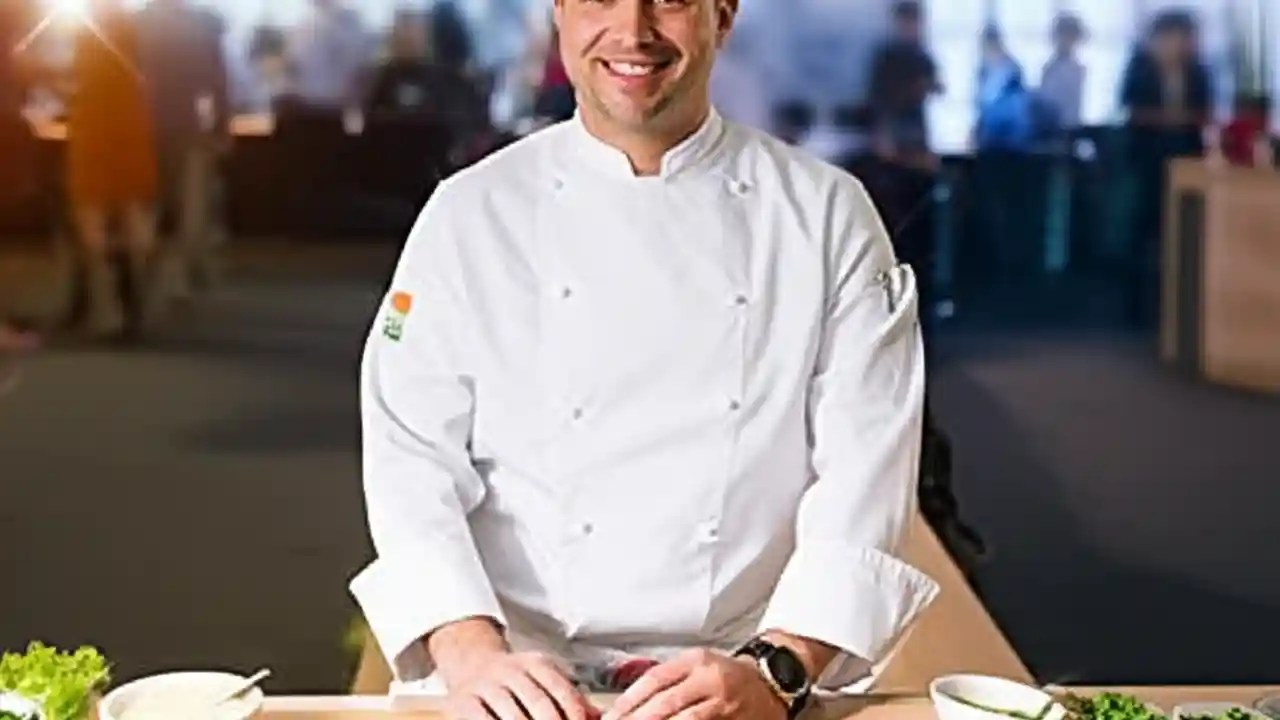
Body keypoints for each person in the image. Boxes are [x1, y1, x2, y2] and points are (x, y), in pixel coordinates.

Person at [351, 0, 939, 717]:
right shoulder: (468, 215)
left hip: (735, 677)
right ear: (559, 14)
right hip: (513, 676)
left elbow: (866, 475)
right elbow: (409, 458)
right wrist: (471, 653)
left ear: (724, 16)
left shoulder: (825, 216)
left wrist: (780, 667)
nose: (633, 31)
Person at [67, 0, 160, 338]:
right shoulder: (135, 34)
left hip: (92, 131)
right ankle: (133, 306)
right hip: (130, 129)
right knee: (132, 214)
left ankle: (106, 310)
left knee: (92, 220)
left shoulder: (84, 37)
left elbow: (77, 82)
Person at [1120, 10, 1213, 328]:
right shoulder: (1140, 68)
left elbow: (1204, 113)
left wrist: (1184, 121)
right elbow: (1131, 111)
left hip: (1188, 161)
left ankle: (1180, 305)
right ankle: (1135, 307)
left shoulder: (1199, 71)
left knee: (1185, 233)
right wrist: (1169, 119)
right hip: (1148, 163)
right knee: (1145, 231)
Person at [135, 0, 231, 303]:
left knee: (148, 204)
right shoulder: (201, 25)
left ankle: (147, 278)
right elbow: (217, 81)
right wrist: (221, 127)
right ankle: (185, 275)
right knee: (190, 206)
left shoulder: (137, 24)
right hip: (187, 124)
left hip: (143, 125)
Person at [866, 1, 939, 168]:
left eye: (914, 23)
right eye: (907, 23)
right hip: (894, 127)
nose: (911, 28)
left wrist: (928, 87)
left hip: (917, 129)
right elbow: (878, 98)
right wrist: (882, 134)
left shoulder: (922, 56)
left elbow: (936, 86)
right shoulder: (886, 57)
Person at [288, 0, 370, 110]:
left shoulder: (351, 21)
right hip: (306, 106)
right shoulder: (302, 25)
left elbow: (361, 68)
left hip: (340, 107)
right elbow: (294, 67)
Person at [1039, 13, 1086, 134]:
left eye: (1068, 36)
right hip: (1046, 129)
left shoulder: (1076, 70)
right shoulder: (1048, 68)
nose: (1063, 40)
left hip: (1067, 131)